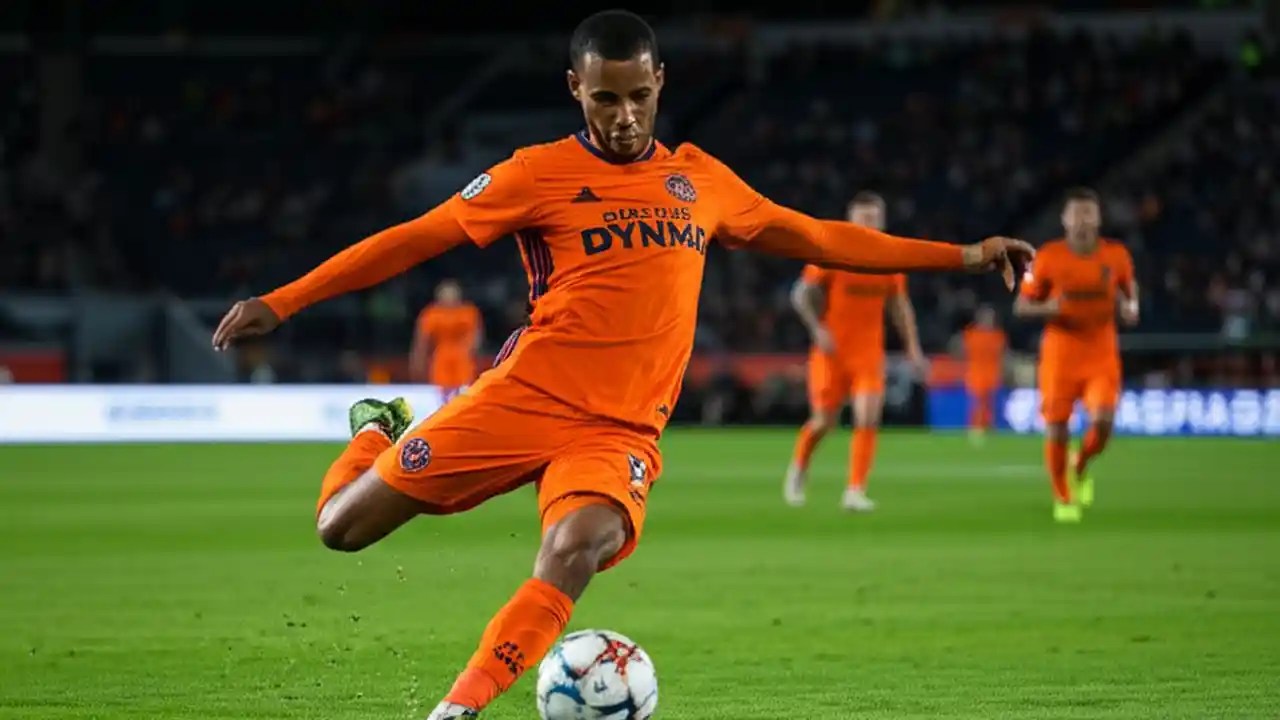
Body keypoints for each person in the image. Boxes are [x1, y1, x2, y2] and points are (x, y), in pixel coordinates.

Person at [211, 10, 1034, 718]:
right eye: (605, 98)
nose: (625, 116)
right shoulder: (535, 174)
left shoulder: (699, 180)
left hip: (620, 428)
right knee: (340, 531)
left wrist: (963, 254)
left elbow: (822, 237)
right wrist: (283, 301)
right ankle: (374, 432)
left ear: (661, 82)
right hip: (523, 395)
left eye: (639, 96)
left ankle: (456, 706)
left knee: (579, 545)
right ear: (576, 88)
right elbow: (412, 240)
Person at [783, 192, 929, 511]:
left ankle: (855, 490)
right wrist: (817, 329)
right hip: (832, 351)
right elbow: (800, 294)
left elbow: (899, 306)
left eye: (874, 218)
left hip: (868, 353)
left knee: (868, 417)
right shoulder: (832, 252)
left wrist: (913, 348)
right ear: (851, 220)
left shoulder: (890, 258)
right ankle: (799, 468)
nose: (870, 224)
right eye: (864, 218)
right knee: (824, 421)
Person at [1014, 187, 1138, 523]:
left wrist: (1131, 306)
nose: (1083, 220)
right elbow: (1021, 306)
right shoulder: (1047, 258)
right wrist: (1048, 307)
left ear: (1098, 219)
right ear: (1064, 220)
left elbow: (1129, 287)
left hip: (1101, 351)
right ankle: (1062, 496)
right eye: (1076, 214)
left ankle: (1080, 462)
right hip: (1060, 353)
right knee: (1056, 427)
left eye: (1089, 213)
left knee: (1104, 423)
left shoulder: (1117, 256)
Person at [411, 279, 483, 397]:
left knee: (464, 389)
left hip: (462, 355)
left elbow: (476, 334)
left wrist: (472, 350)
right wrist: (418, 359)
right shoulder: (431, 314)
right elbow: (422, 340)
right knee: (442, 391)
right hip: (441, 355)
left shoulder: (469, 312)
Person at [959, 304, 1006, 446]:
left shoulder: (998, 335)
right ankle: (975, 429)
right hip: (975, 373)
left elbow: (1003, 356)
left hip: (992, 374)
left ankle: (989, 428)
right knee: (977, 403)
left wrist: (1003, 372)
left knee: (990, 404)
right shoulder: (970, 334)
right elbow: (962, 351)